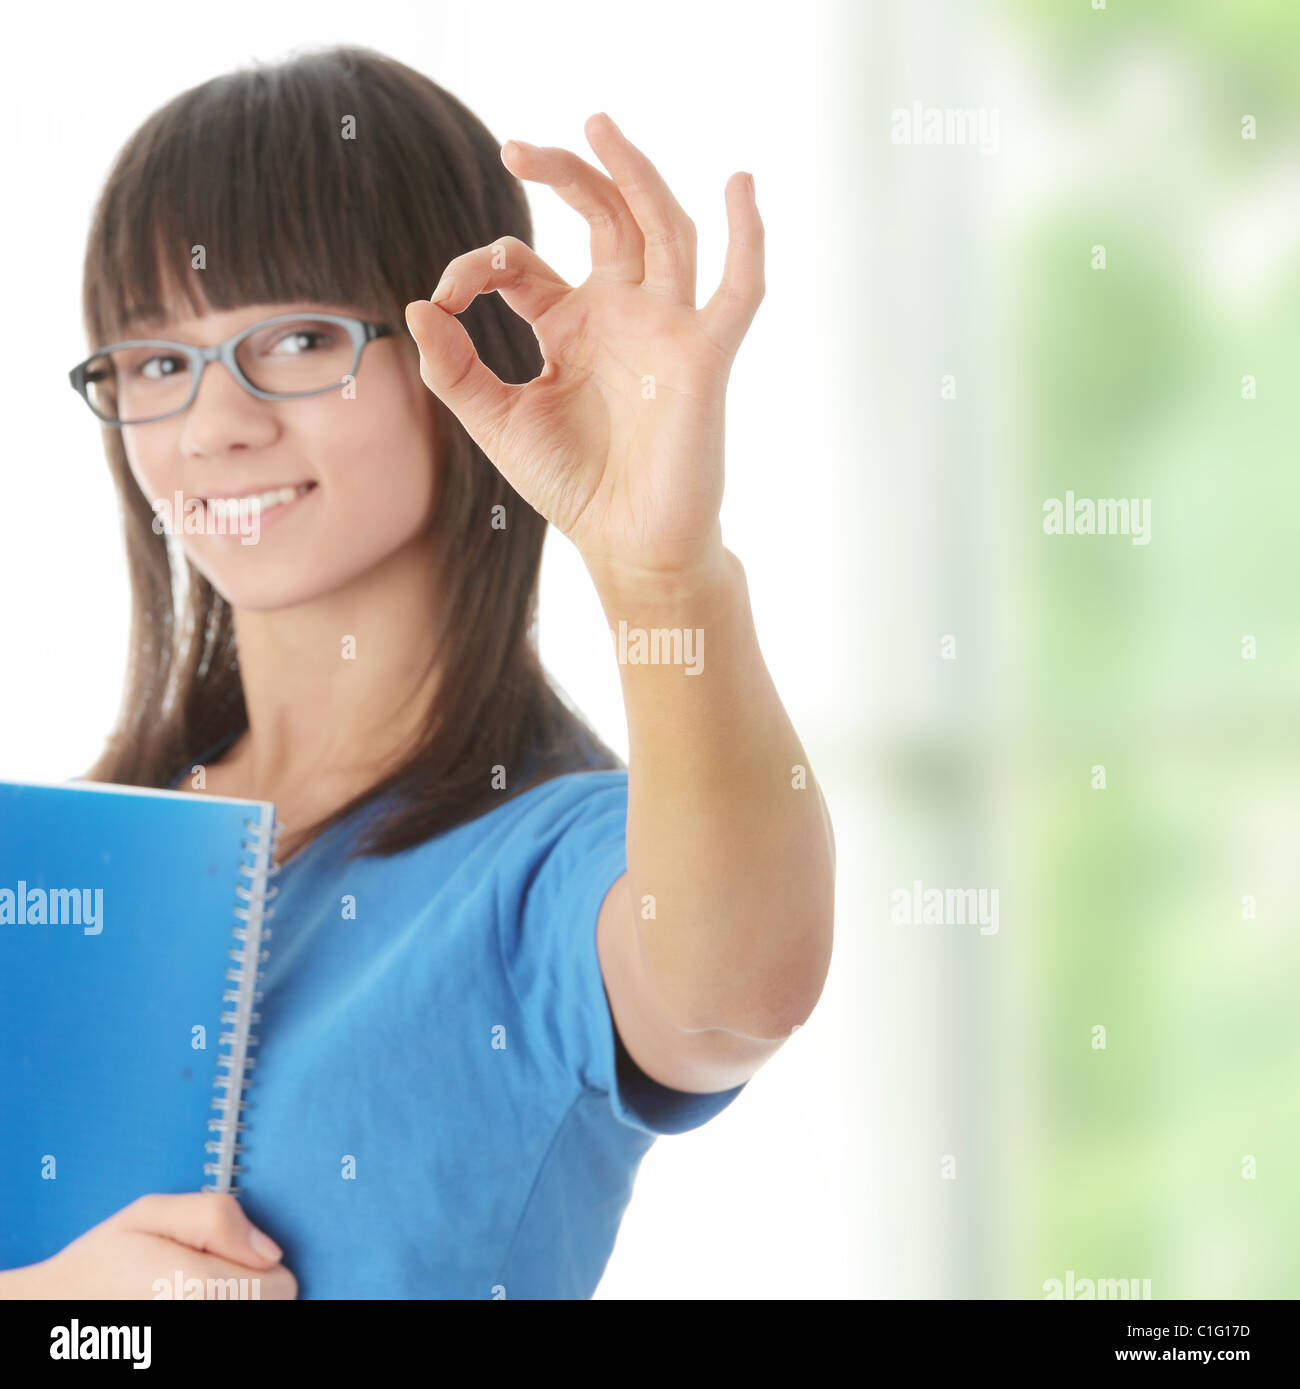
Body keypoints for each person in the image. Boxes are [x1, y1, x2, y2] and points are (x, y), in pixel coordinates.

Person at [0, 45, 834, 1299]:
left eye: (294, 338)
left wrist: (666, 580)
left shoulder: (553, 866)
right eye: (159, 361)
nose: (214, 425)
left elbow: (734, 994)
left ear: (468, 351)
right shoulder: (56, 859)